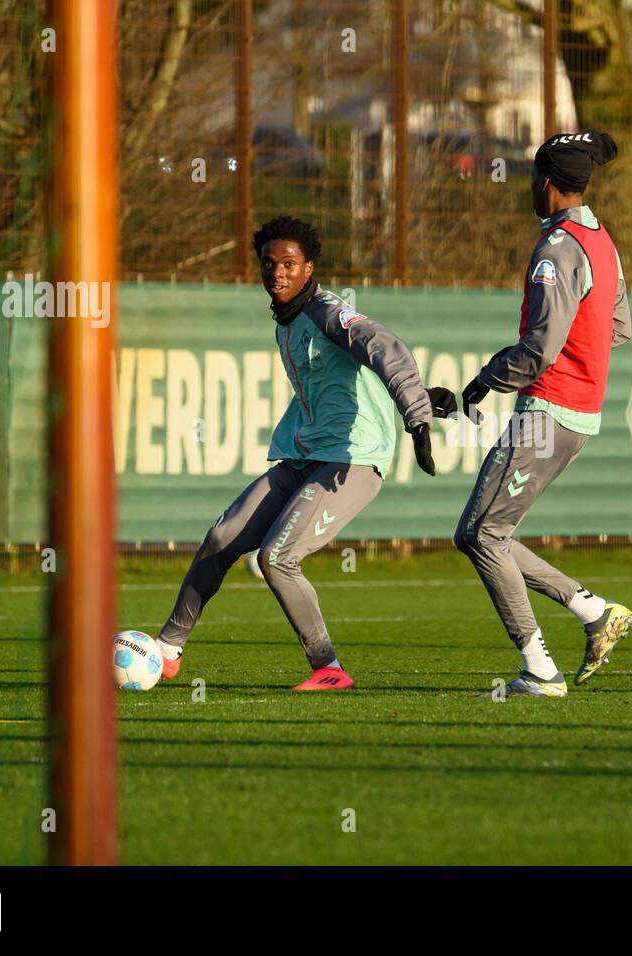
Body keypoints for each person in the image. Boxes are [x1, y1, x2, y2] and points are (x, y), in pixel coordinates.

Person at [155, 215, 455, 690]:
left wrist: (415, 409)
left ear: (309, 266)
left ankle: (329, 669)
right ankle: (166, 650)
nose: (278, 272)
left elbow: (384, 346)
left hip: (350, 460)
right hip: (304, 456)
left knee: (276, 557)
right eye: (270, 263)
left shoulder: (329, 314)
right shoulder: (287, 321)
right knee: (221, 539)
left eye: (289, 264)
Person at [454, 129, 632, 698]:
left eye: (533, 179)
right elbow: (620, 328)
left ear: (549, 184)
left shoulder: (556, 250)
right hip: (578, 413)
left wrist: (487, 378)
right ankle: (592, 610)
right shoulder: (601, 240)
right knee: (486, 533)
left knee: (483, 535)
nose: (530, 188)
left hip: (548, 408)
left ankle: (540, 669)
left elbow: (537, 350)